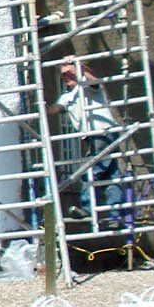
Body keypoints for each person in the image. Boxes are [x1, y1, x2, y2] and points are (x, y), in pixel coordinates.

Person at [52, 56, 125, 227]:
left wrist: (78, 65)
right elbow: (54, 109)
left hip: (103, 132)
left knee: (91, 170)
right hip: (92, 137)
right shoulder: (67, 96)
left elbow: (94, 80)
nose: (66, 77)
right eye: (63, 75)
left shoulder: (89, 87)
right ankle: (115, 215)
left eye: (69, 73)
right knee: (111, 175)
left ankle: (86, 207)